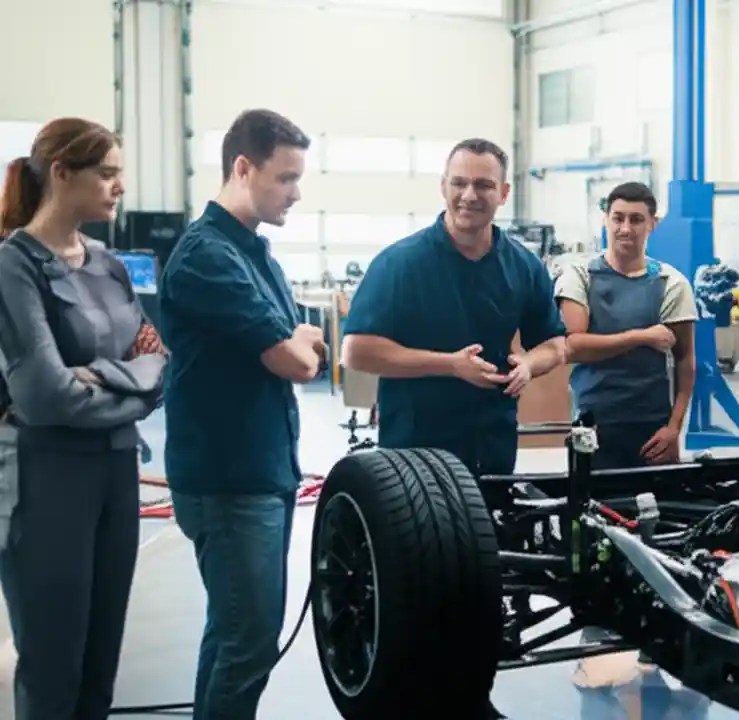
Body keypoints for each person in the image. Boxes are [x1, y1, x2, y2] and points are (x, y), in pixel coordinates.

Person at [157, 108, 324, 720]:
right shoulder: (207, 257)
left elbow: (299, 343)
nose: (296, 192)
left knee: (229, 633)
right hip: (229, 483)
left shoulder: (257, 255)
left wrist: (296, 339)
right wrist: (297, 340)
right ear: (243, 167)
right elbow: (298, 359)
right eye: (285, 178)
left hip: (264, 473)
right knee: (250, 642)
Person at [0, 117, 166, 719]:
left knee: (101, 660)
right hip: (47, 480)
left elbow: (156, 366)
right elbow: (44, 396)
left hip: (117, 471)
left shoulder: (110, 265)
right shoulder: (13, 266)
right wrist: (133, 382)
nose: (119, 185)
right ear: (63, 173)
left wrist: (102, 377)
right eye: (108, 172)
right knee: (52, 663)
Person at [341, 137, 566, 477]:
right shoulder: (399, 264)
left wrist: (529, 365)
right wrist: (450, 365)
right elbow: (356, 352)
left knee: (489, 529)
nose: (469, 195)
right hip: (414, 456)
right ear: (443, 186)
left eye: (483, 185)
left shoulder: (523, 266)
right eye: (459, 183)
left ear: (503, 193)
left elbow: (555, 344)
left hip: (493, 450)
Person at [554, 181, 696, 469]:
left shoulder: (671, 283)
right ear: (606, 220)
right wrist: (641, 337)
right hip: (592, 425)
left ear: (652, 224)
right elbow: (574, 347)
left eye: (636, 219)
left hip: (651, 428)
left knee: (660, 509)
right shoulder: (579, 276)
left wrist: (674, 428)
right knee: (592, 508)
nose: (626, 228)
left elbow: (685, 361)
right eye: (618, 218)